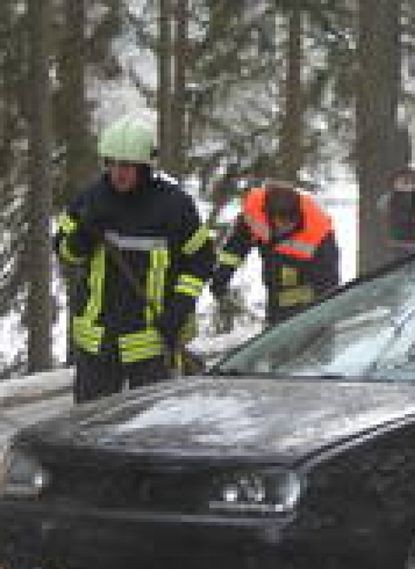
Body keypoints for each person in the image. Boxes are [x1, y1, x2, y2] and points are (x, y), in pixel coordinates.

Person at [54, 112, 214, 403]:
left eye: (127, 165)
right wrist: (83, 235)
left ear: (146, 165)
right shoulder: (89, 199)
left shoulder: (174, 205)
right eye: (112, 163)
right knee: (90, 430)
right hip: (98, 342)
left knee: (151, 432)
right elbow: (65, 253)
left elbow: (201, 260)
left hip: (153, 341)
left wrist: (178, 308)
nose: (118, 173)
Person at [210, 181, 340, 325]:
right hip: (275, 277)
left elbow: (329, 281)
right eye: (281, 224)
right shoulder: (255, 214)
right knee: (276, 315)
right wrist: (221, 277)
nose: (285, 229)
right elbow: (236, 248)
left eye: (290, 224)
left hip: (308, 284)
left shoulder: (318, 230)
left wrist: (316, 307)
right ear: (269, 215)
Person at [380, 165, 415, 254]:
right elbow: (403, 218)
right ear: (395, 184)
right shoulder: (394, 199)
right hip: (404, 243)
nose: (409, 186)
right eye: (405, 182)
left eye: (412, 182)